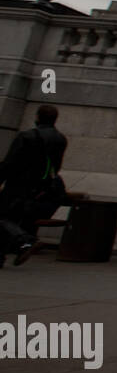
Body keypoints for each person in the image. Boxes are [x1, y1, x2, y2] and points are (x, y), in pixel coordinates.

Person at [0, 104, 67, 267]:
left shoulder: (26, 136)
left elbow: (10, 163)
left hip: (18, 185)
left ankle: (27, 241)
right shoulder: (61, 139)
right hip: (40, 187)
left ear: (37, 117)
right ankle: (5, 253)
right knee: (11, 219)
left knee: (3, 216)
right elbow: (56, 166)